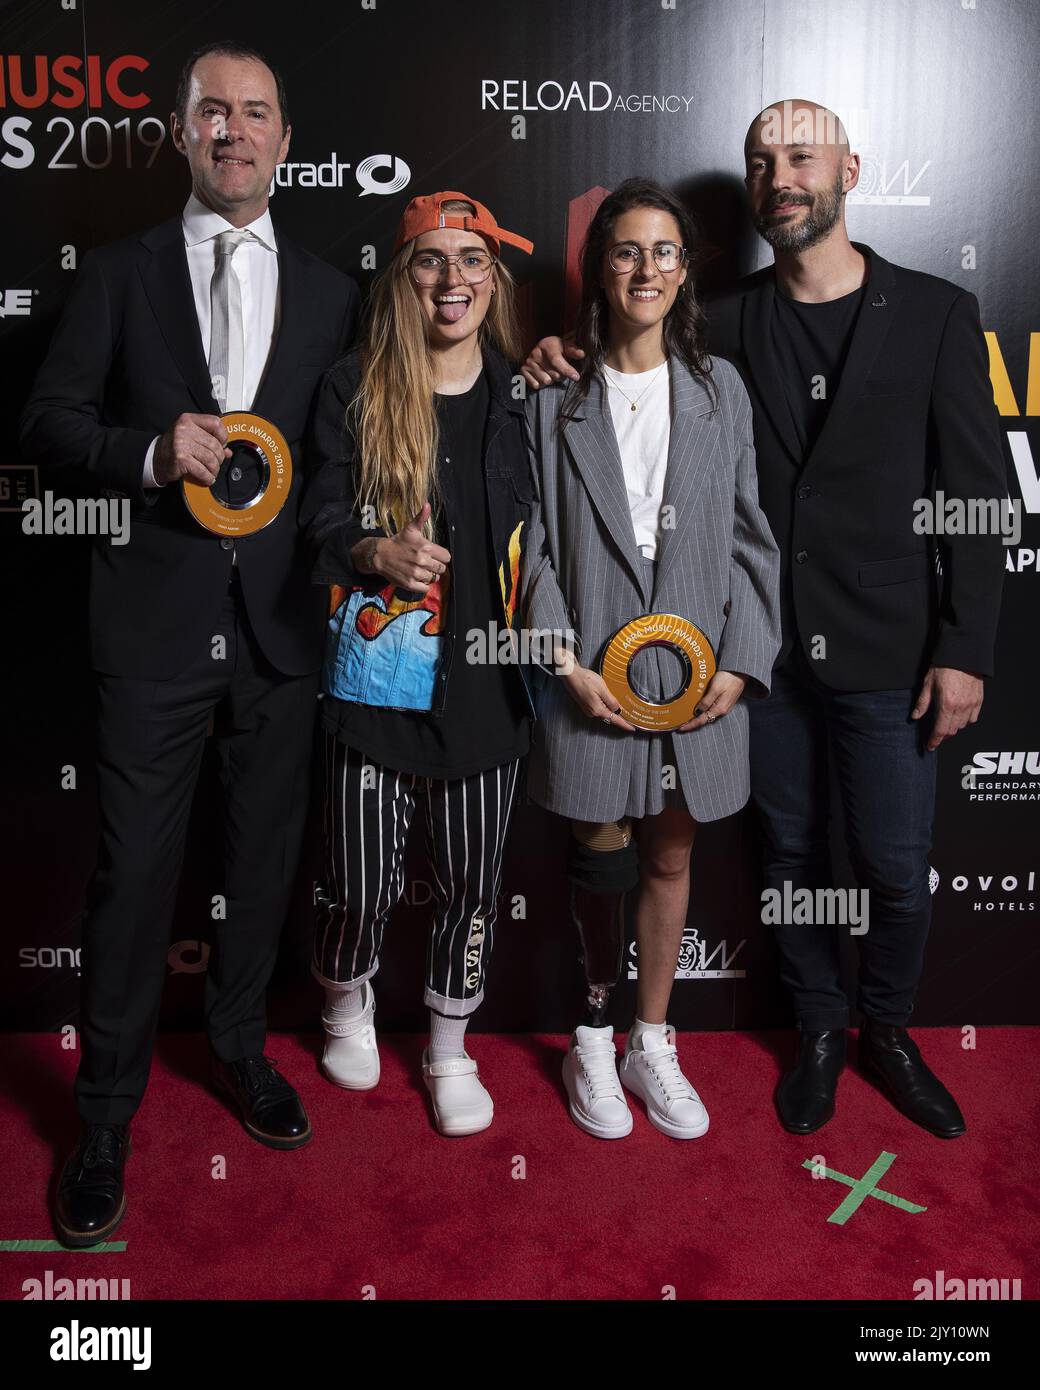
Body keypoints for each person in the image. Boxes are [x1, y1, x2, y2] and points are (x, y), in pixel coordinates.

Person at [521, 102, 1007, 1139]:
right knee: (787, 858)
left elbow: (978, 495)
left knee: (889, 865)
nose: (778, 174)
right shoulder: (726, 323)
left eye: (798, 155)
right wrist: (550, 356)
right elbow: (628, 343)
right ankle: (820, 1031)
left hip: (887, 649)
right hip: (759, 663)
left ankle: (886, 1028)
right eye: (760, 161)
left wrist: (962, 647)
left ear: (848, 169)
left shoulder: (931, 312)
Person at [19, 40, 360, 1247]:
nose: (234, 131)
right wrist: (151, 452)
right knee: (131, 880)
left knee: (263, 864)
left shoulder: (330, 292)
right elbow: (50, 423)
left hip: (279, 632)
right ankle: (103, 1116)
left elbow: (358, 448)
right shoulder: (116, 277)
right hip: (151, 624)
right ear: (179, 134)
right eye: (212, 113)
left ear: (283, 139)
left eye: (255, 113)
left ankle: (238, 1051)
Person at [523, 178, 780, 1140]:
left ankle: (650, 1038)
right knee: (598, 851)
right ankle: (592, 1039)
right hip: (587, 670)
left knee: (672, 848)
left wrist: (742, 661)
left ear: (686, 269)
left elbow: (754, 538)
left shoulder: (722, 391)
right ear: (600, 266)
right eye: (626, 250)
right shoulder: (552, 396)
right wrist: (564, 660)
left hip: (695, 674)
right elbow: (534, 546)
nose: (646, 269)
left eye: (664, 251)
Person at [299, 191, 536, 1137]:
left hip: (490, 687)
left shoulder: (527, 391)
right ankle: (344, 1000)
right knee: (358, 885)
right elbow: (312, 516)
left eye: (472, 260)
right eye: (432, 261)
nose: (453, 279)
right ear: (404, 279)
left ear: (494, 279)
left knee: (473, 888)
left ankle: (447, 1044)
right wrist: (373, 551)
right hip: (379, 684)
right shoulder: (354, 385)